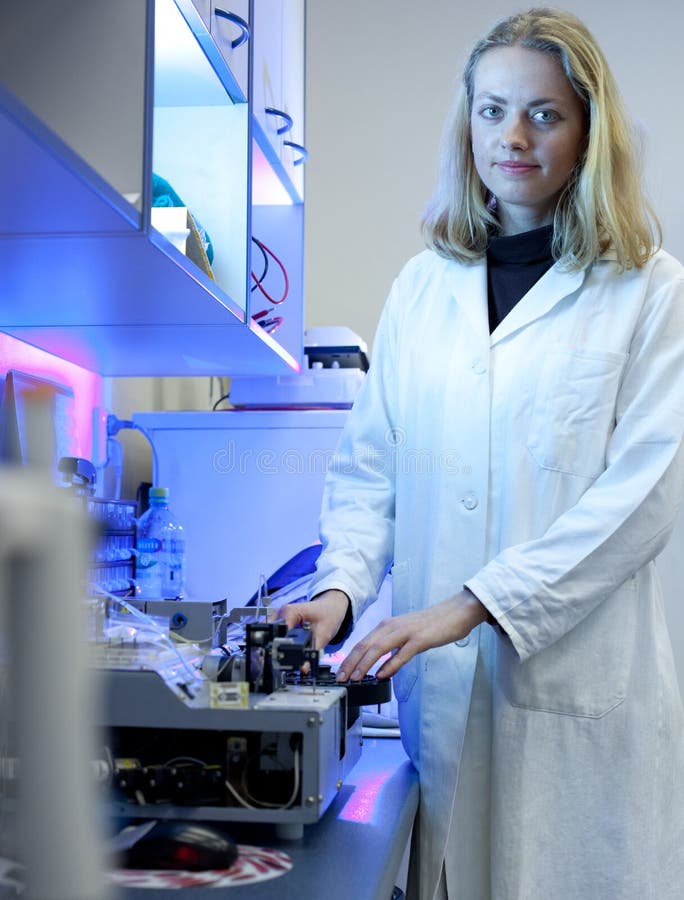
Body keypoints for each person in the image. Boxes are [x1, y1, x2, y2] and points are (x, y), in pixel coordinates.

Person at [279, 8, 684, 899]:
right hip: (445, 705)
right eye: (494, 110)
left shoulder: (647, 288)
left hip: (576, 707)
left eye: (546, 114)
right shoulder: (423, 289)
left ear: (589, 130)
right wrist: (341, 588)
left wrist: (473, 606)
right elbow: (371, 471)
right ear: (467, 123)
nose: (515, 137)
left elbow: (640, 502)